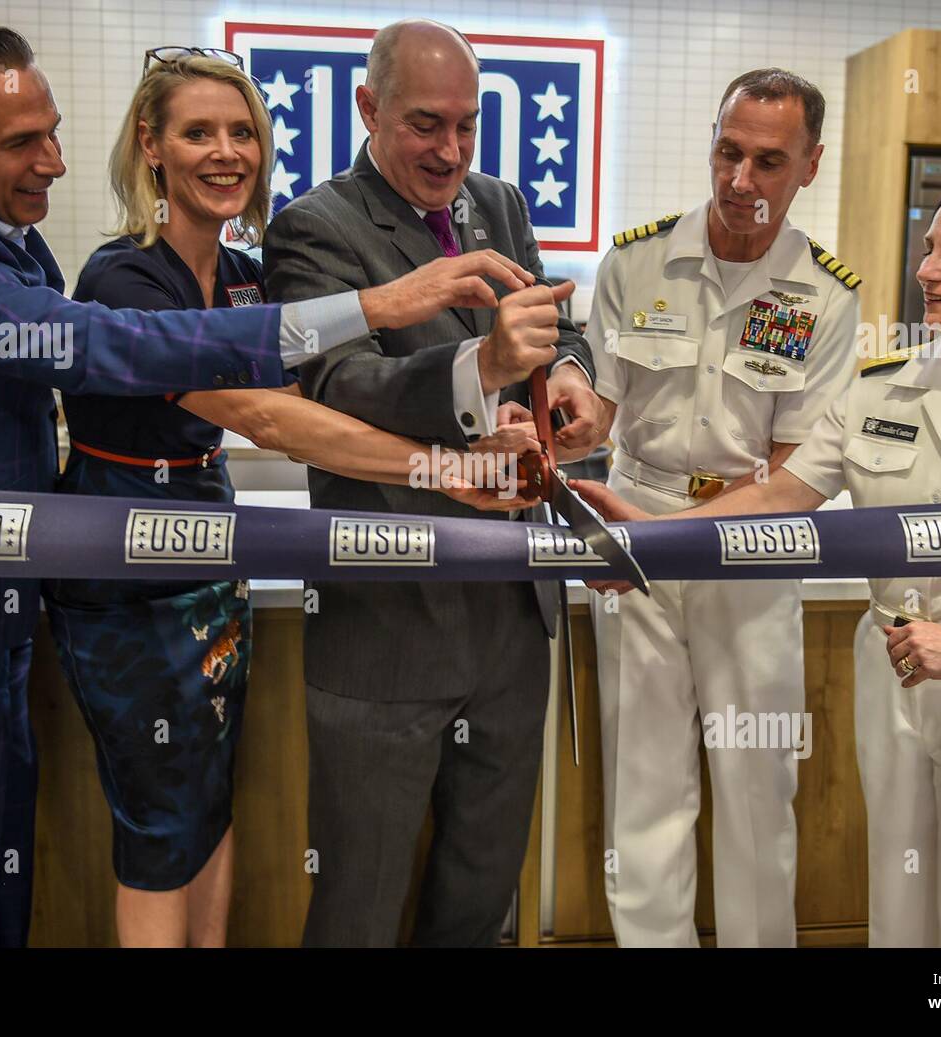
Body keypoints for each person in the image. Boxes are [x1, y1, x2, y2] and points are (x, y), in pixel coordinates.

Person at [0, 22, 531, 949]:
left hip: (143, 580)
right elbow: (237, 401)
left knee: (148, 823)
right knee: (10, 850)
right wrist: (427, 417)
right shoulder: (51, 263)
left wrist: (477, 432)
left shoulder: (212, 272)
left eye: (242, 133)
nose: (53, 163)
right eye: (198, 132)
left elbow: (320, 401)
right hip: (18, 601)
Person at [45, 48, 539, 948]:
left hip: (211, 564)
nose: (226, 151)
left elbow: (296, 382)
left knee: (209, 809)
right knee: (161, 827)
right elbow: (278, 418)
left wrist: (507, 419)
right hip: (130, 585)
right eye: (199, 132)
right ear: (150, 147)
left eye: (243, 132)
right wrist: (445, 466)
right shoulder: (125, 278)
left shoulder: (238, 273)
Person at [575, 175, 941, 948]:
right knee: (897, 916)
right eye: (930, 248)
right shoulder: (879, 391)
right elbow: (778, 495)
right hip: (893, 675)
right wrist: (652, 539)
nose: (925, 270)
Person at [263, 18, 602, 947]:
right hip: (386, 624)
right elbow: (337, 386)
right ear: (368, 108)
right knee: (359, 906)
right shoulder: (312, 228)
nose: (450, 151)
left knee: (479, 900)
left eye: (467, 124)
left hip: (511, 622)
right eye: (424, 125)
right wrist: (480, 369)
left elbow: (546, 323)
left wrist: (569, 376)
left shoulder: (500, 200)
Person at [566, 69, 860, 947]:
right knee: (646, 780)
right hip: (636, 525)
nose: (740, 179)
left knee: (756, 781)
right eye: (729, 151)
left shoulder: (827, 295)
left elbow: (789, 471)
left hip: (752, 545)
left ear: (808, 166)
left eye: (768, 161)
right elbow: (601, 410)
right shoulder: (635, 258)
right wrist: (569, 395)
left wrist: (669, 530)